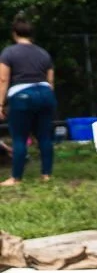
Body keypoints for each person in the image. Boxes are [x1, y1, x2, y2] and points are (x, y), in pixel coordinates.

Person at [0, 15, 57, 186]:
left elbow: (3, 79)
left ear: (14, 34)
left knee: (19, 137)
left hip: (22, 95)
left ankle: (16, 178)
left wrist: (0, 103)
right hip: (45, 94)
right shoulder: (43, 53)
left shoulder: (9, 52)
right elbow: (50, 81)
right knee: (44, 136)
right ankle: (46, 175)